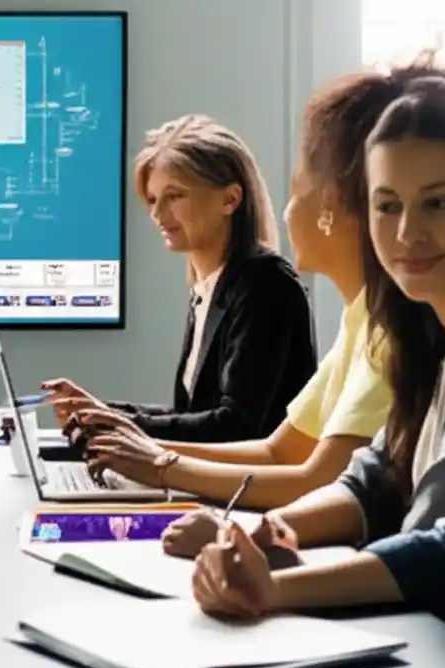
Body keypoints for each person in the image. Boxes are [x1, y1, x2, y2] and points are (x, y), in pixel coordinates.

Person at [192, 70, 445, 658]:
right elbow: (376, 478)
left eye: (439, 202)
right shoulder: (434, 318)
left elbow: (443, 550)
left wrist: (271, 587)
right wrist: (261, 534)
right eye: (387, 206)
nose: (408, 232)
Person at [73, 82, 405, 511]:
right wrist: (128, 441)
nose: (284, 212)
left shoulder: (375, 327)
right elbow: (278, 451)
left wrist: (157, 461)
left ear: (331, 207)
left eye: (295, 191)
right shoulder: (358, 322)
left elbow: (312, 478)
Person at [44, 115, 316, 443]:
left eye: (175, 196)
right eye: (154, 200)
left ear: (230, 199)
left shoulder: (265, 285)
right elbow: (191, 416)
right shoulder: (209, 288)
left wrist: (117, 424)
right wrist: (99, 411)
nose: (157, 215)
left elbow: (235, 425)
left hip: (246, 491)